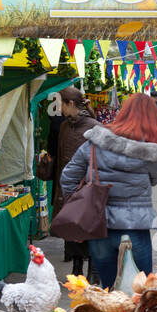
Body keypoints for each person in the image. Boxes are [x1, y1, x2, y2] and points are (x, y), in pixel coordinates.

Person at [60, 93, 157, 287]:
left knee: (110, 291)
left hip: (99, 225)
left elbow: (68, 176)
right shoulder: (150, 149)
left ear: (123, 113)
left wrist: (77, 207)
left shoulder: (95, 142)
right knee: (142, 294)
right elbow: (154, 179)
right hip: (136, 227)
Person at [53, 86, 98, 277]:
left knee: (90, 230)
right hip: (66, 187)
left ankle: (94, 273)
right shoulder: (63, 126)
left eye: (61, 104)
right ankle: (77, 271)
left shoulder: (95, 127)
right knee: (72, 230)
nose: (60, 109)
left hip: (89, 189)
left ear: (70, 103)